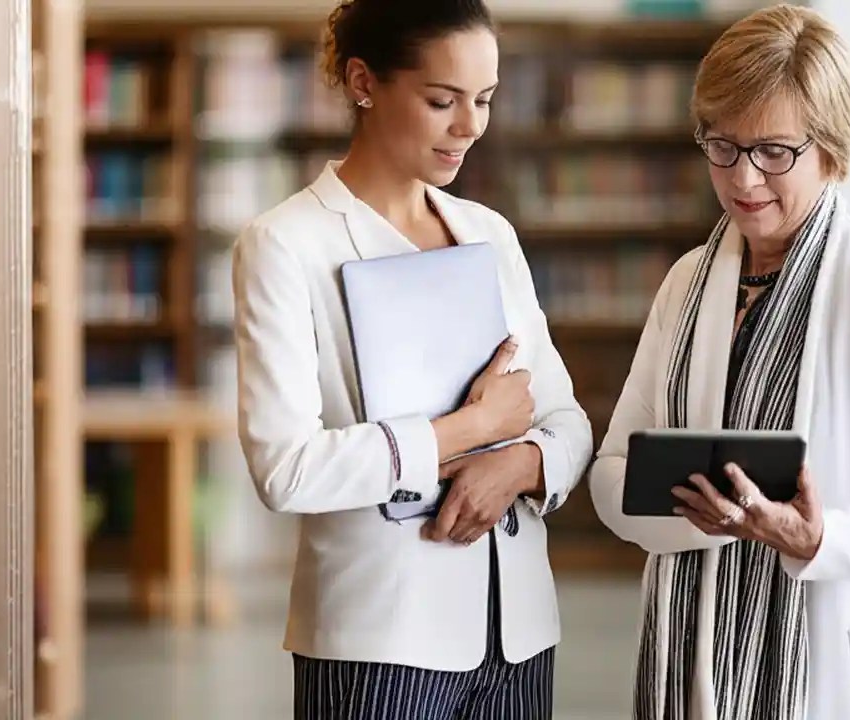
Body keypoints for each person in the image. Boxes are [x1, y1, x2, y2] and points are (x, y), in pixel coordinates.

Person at [589, 5, 850, 719]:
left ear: (832, 149)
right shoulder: (688, 281)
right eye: (723, 146)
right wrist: (705, 518)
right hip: (698, 666)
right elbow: (613, 475)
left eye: (775, 151)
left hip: (849, 673)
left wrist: (819, 536)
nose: (744, 179)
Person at [231, 1, 592, 717]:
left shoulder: (489, 234)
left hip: (515, 636)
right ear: (364, 82)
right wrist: (465, 431)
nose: (470, 127)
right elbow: (286, 467)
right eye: (441, 101)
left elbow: (566, 419)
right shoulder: (286, 244)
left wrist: (517, 464)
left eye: (484, 100)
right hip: (379, 639)